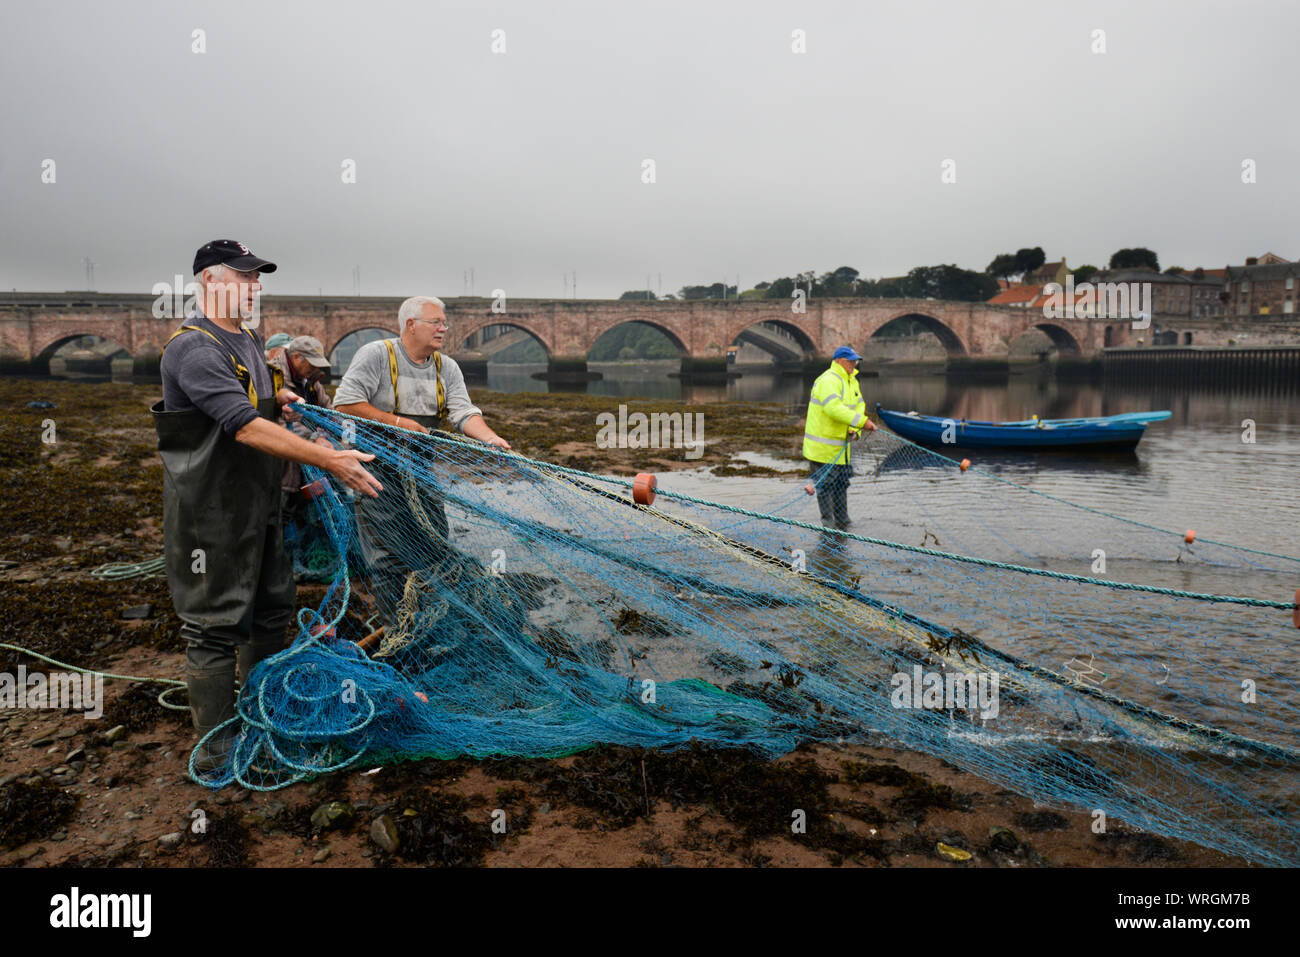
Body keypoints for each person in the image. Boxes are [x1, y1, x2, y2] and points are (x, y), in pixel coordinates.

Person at [153, 239, 381, 770]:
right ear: (209, 280)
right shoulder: (192, 347)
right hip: (210, 513)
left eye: (258, 278)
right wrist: (331, 460)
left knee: (272, 610)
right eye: (243, 276)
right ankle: (215, 751)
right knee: (214, 626)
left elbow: (259, 400)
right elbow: (244, 426)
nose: (254, 286)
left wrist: (280, 397)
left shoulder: (249, 339)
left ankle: (264, 714)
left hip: (262, 503)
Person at [334, 295, 509, 624]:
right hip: (374, 463)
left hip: (420, 468)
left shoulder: (447, 367)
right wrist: (399, 423)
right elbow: (344, 403)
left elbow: (463, 412)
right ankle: (396, 629)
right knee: (386, 556)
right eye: (436, 322)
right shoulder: (377, 355)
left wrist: (489, 438)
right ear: (410, 325)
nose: (444, 328)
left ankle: (429, 620)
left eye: (445, 323)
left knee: (433, 541)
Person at [802, 345, 875, 530]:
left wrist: (855, 428)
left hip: (842, 450)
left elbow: (859, 406)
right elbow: (832, 408)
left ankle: (843, 525)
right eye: (850, 360)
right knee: (825, 489)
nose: (854, 363)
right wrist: (863, 422)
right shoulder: (828, 380)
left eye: (855, 360)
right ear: (838, 361)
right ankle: (829, 530)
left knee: (842, 484)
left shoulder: (852, 381)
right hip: (822, 450)